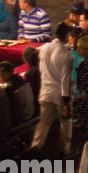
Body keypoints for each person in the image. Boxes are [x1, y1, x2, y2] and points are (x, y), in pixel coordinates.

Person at [29, 27, 74, 155]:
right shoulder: (67, 55)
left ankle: (36, 146)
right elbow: (65, 81)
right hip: (60, 95)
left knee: (44, 122)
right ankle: (64, 150)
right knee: (65, 122)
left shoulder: (44, 49)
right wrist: (66, 102)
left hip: (45, 92)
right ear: (67, 36)